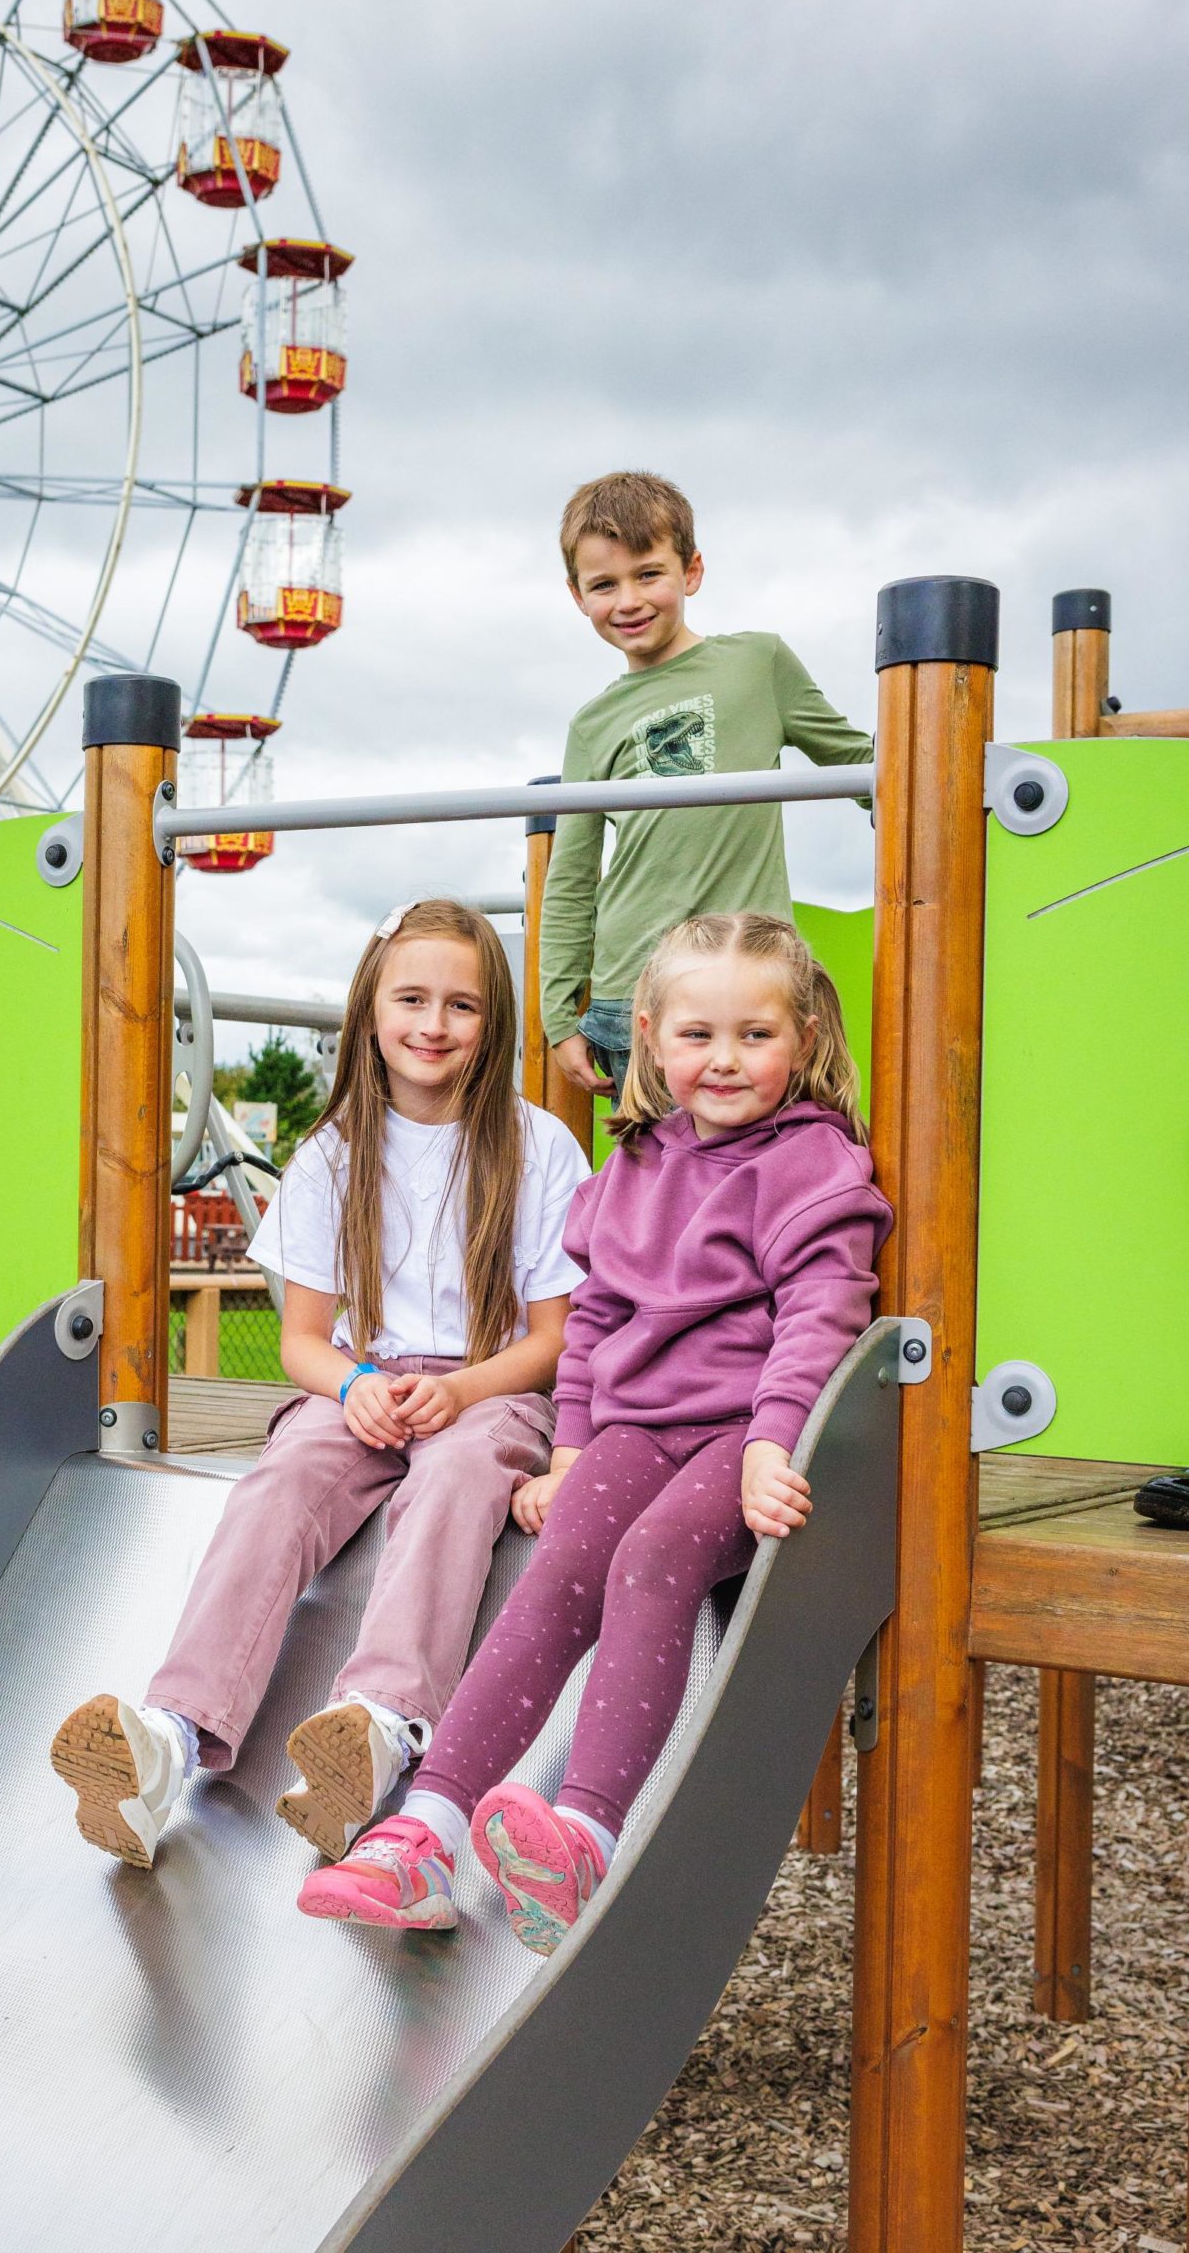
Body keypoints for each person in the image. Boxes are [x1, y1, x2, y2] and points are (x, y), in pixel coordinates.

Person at [300, 912, 891, 1947]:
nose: (724, 1059)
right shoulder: (638, 1163)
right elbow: (595, 1325)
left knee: (654, 1561)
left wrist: (771, 1444)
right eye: (698, 1034)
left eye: (756, 1034)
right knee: (562, 1563)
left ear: (804, 1038)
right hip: (637, 1429)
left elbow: (820, 1319)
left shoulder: (812, 1166)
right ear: (654, 1038)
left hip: (744, 1429)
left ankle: (584, 1834)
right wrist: (570, 1450)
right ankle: (425, 1832)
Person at [50, 899, 589, 1873]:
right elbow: (302, 1341)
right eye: (412, 998)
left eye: (461, 1005)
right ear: (371, 1012)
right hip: (364, 1383)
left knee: (457, 1480)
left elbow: (555, 1337)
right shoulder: (337, 1149)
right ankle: (169, 1737)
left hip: (490, 1387)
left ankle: (378, 1726)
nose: (433, 1023)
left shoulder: (536, 1145)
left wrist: (464, 1393)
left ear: (493, 1020)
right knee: (286, 1477)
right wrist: (353, 1387)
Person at [539, 470, 873, 1098]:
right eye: (604, 584)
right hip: (635, 991)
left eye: (648, 574)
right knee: (669, 1179)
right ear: (577, 595)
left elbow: (857, 760)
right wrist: (559, 1016)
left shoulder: (757, 663)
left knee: (775, 1162)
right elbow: (572, 877)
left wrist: (952, 787)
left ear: (691, 571)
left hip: (754, 982)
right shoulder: (592, 725)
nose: (629, 600)